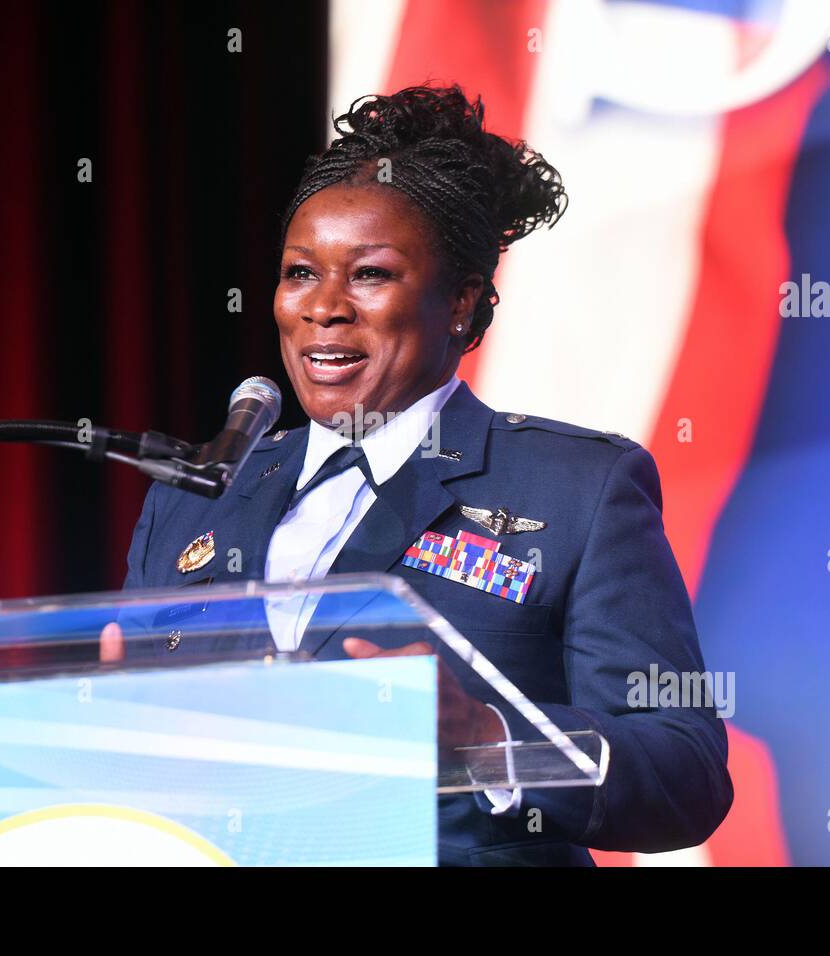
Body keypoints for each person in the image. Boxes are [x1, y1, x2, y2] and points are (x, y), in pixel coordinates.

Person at [121, 85, 732, 866]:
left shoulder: (577, 488)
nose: (324, 308)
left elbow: (684, 772)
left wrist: (486, 739)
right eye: (301, 272)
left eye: (371, 275)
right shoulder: (192, 498)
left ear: (461, 305)